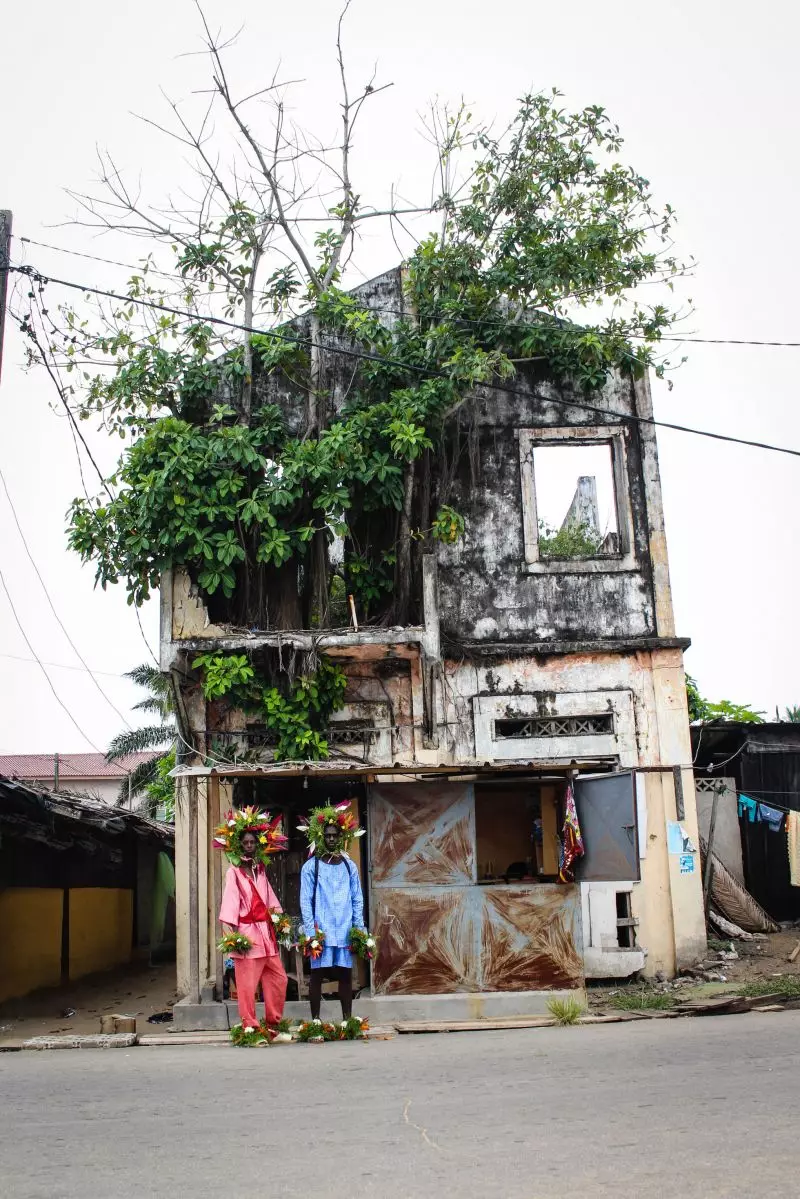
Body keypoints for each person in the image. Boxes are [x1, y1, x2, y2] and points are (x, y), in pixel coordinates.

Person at [215, 806, 288, 1030]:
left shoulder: (260, 870)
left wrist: (280, 922)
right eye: (245, 843)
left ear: (258, 845)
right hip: (247, 936)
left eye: (252, 842)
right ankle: (250, 1027)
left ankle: (273, 1024)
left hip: (266, 937)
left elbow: (271, 901)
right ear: (238, 845)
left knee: (279, 979)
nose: (249, 846)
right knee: (247, 986)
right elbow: (229, 906)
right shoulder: (233, 872)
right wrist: (233, 937)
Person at [299, 800, 366, 1023]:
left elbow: (357, 898)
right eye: (327, 835)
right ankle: (316, 1021)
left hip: (345, 929)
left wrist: (359, 928)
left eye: (334, 835)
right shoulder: (311, 866)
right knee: (317, 975)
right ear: (321, 836)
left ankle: (347, 1021)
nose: (330, 839)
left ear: (341, 837)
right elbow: (305, 900)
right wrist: (311, 932)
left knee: (345, 975)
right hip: (322, 931)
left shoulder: (350, 866)